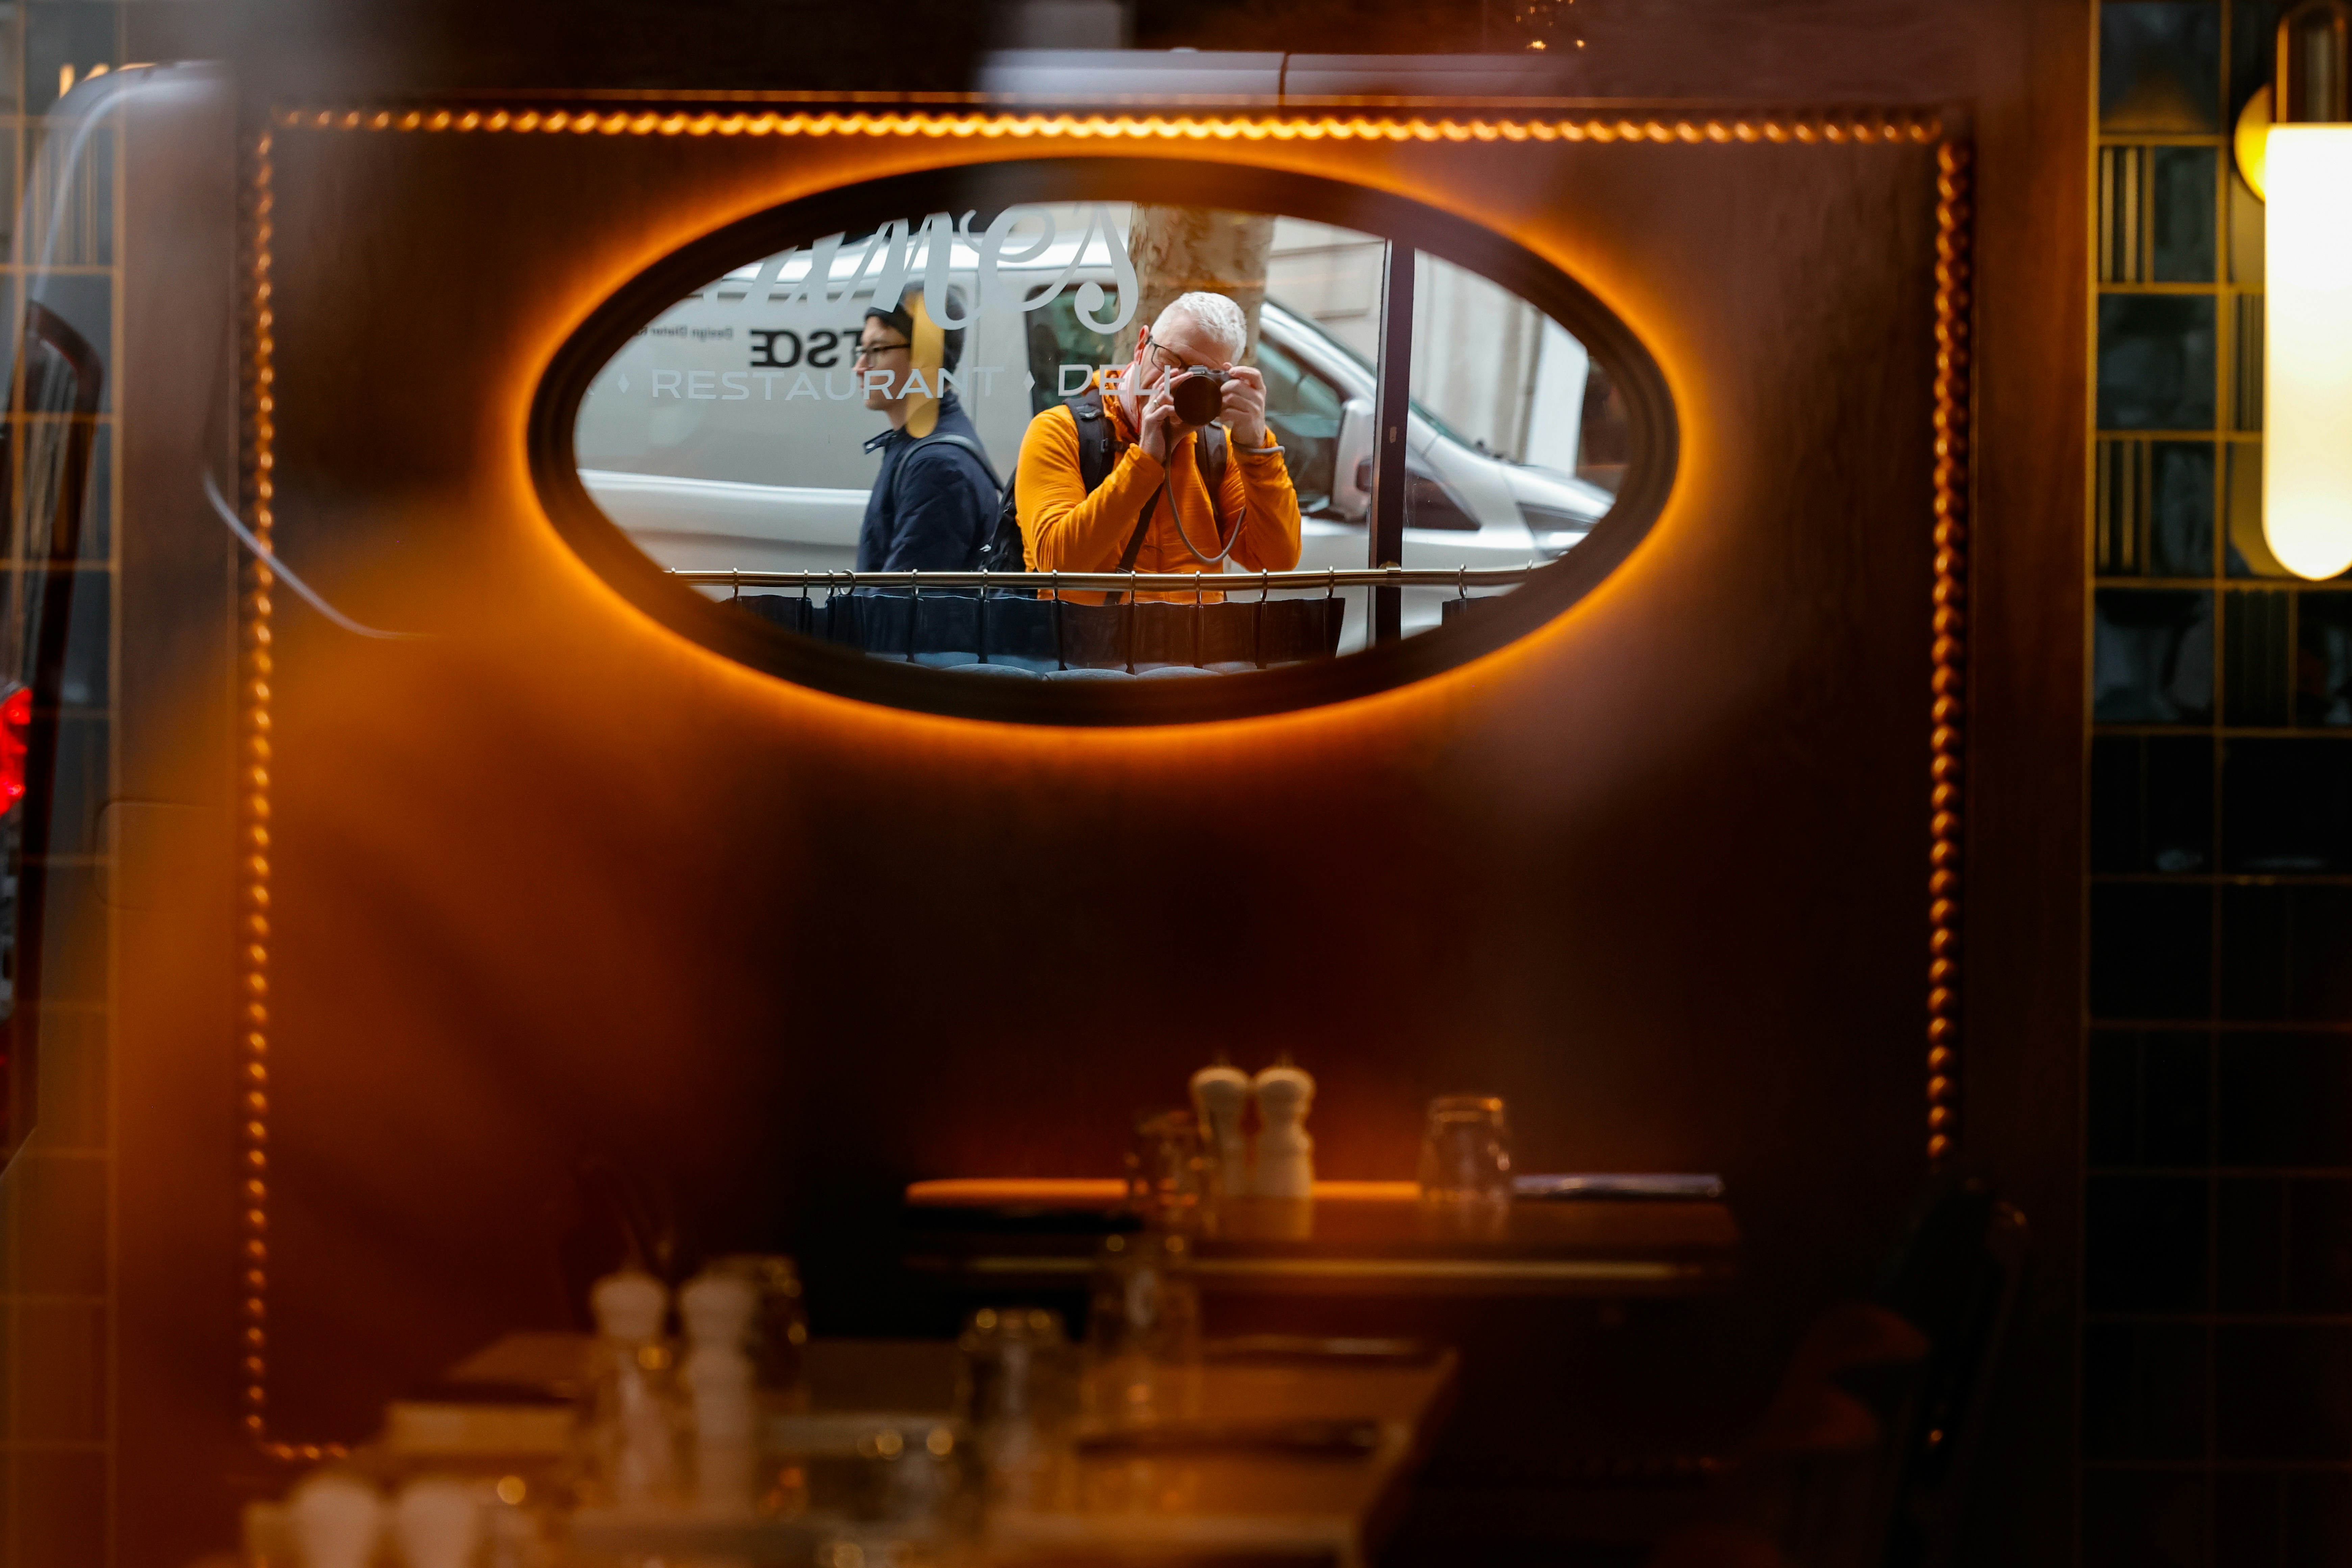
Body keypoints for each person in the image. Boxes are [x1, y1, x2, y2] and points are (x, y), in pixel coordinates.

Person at [1013, 291, 1301, 602]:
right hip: (1088, 632)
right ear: (1142, 345)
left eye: (1200, 375)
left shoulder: (1215, 448)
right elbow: (1058, 565)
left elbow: (1277, 560)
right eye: (1171, 362)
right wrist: (1145, 462)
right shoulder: (1060, 431)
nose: (1177, 382)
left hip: (1195, 633)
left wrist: (1256, 449)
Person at [853, 286, 1001, 573]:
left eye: (877, 350)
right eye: (862, 350)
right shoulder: (917, 447)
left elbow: (899, 597)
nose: (860, 367)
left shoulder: (938, 466)